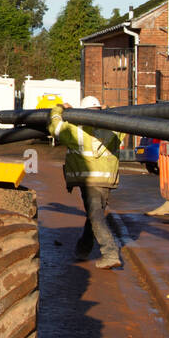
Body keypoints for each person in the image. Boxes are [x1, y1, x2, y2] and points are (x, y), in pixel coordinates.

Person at [48, 97, 123, 269]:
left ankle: (110, 253)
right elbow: (122, 121)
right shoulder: (113, 126)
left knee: (95, 215)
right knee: (94, 214)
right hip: (107, 180)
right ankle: (83, 248)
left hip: (89, 180)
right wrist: (108, 108)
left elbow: (55, 127)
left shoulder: (76, 129)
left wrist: (59, 108)